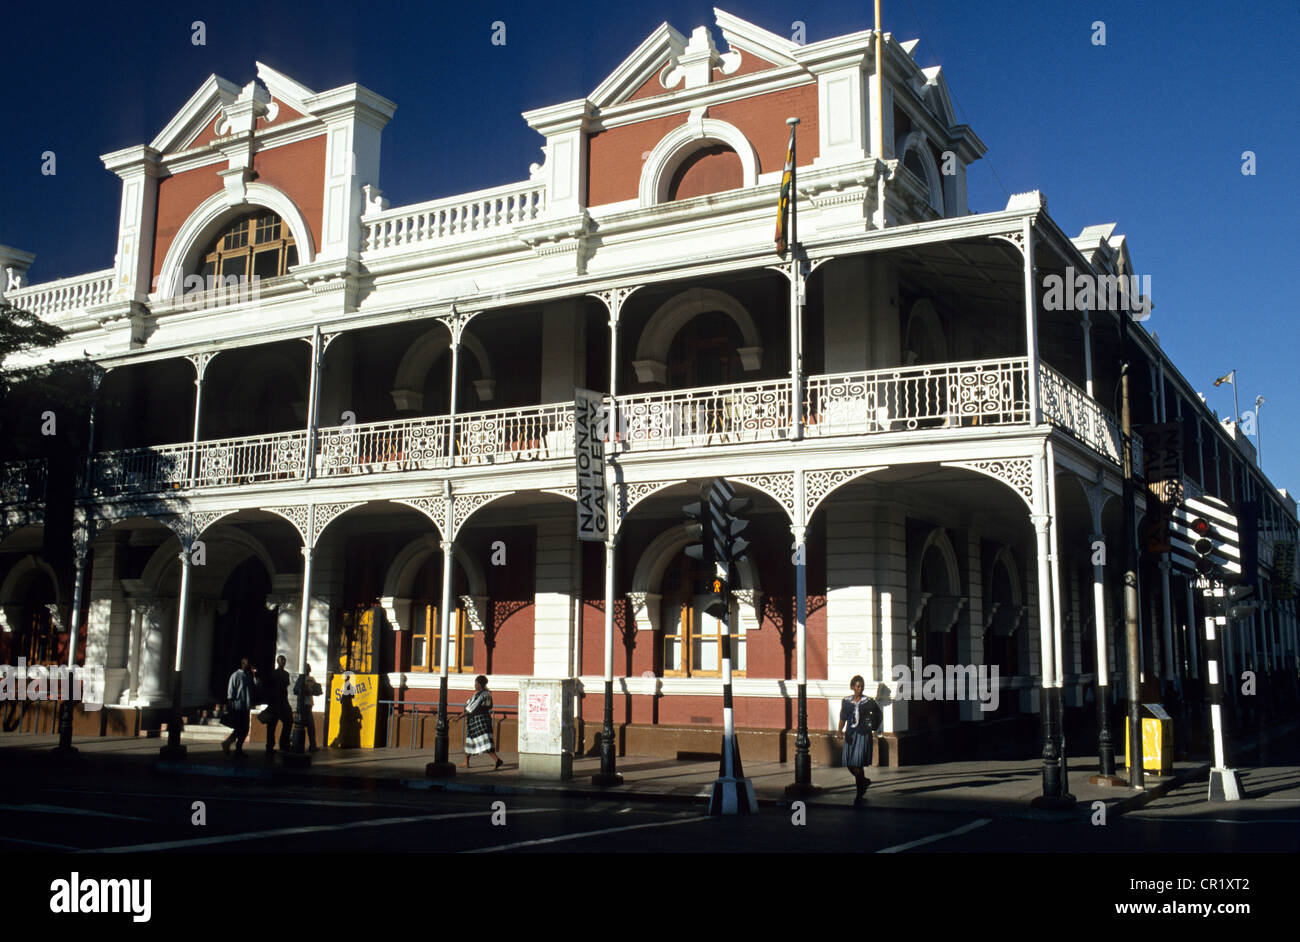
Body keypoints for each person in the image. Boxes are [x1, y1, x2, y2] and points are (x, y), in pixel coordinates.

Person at [837, 674, 882, 803]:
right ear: (852, 687)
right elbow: (843, 717)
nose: (860, 689)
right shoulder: (846, 702)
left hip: (862, 735)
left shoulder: (868, 701)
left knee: (858, 764)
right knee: (849, 764)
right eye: (857, 686)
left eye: (862, 686)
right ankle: (864, 781)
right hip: (850, 734)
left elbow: (878, 714)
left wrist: (873, 726)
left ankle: (859, 792)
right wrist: (839, 731)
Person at [462, 675, 502, 770]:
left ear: (480, 684)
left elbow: (470, 708)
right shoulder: (487, 694)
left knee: (484, 742)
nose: (475, 685)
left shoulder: (481, 695)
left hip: (478, 721)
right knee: (471, 740)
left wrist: (458, 717)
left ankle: (497, 760)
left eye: (476, 683)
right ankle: (465, 761)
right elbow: (489, 706)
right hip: (484, 719)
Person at [222, 657, 258, 757]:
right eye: (247, 664)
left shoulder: (248, 676)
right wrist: (231, 707)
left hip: (246, 707)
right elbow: (230, 692)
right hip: (237, 707)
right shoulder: (236, 675)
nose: (249, 666)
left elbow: (256, 686)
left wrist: (254, 675)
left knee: (244, 729)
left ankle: (236, 747)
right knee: (239, 728)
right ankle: (230, 744)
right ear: (243, 664)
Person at [265, 654, 294, 752]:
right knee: (272, 725)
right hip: (275, 702)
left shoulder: (285, 674)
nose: (283, 663)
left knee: (288, 722)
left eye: (284, 661)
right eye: (281, 661)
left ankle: (283, 743)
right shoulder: (274, 673)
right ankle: (270, 746)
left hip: (282, 702)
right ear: (278, 662)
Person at [292, 663, 321, 752]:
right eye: (307, 668)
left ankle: (312, 745)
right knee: (302, 726)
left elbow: (317, 691)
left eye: (308, 668)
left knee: (311, 727)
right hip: (302, 706)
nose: (308, 670)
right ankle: (295, 743)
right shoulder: (301, 679)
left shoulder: (312, 679)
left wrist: (315, 690)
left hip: (309, 705)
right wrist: (304, 690)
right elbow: (295, 690)